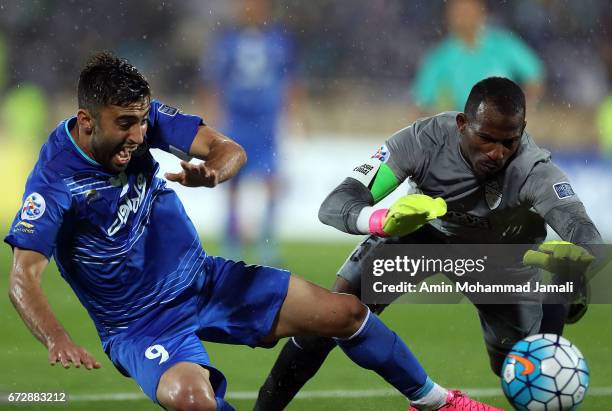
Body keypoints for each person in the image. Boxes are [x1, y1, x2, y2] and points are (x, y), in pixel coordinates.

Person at [5, 53, 502, 411]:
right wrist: (56, 338)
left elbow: (228, 148)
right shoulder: (54, 183)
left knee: (346, 311)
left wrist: (213, 171)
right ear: (85, 120)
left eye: (141, 122)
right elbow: (23, 276)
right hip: (140, 325)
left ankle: (439, 404)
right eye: (126, 125)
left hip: (203, 280)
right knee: (190, 398)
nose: (139, 137)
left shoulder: (144, 122)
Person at [255, 77, 601, 410]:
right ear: (463, 123)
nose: (497, 153)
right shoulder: (423, 141)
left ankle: (564, 295)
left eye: (508, 142)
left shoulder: (533, 169)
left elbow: (582, 229)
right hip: (423, 238)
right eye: (486, 138)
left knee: (521, 368)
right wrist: (379, 221)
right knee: (331, 314)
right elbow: (335, 205)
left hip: (500, 258)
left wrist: (579, 260)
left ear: (521, 132)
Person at [201, 0, 304, 264]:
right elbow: (215, 81)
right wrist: (210, 118)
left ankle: (267, 241)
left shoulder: (279, 41)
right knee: (231, 177)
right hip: (236, 119)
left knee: (270, 179)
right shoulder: (227, 42)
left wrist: (295, 115)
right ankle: (231, 239)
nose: (250, 8)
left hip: (266, 121)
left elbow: (289, 80)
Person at [411, 0, 544, 114]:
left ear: (481, 12)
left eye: (468, 11)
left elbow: (535, 77)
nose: (463, 17)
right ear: (448, 17)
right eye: (458, 12)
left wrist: (523, 111)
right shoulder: (439, 58)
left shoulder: (502, 44)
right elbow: (420, 105)